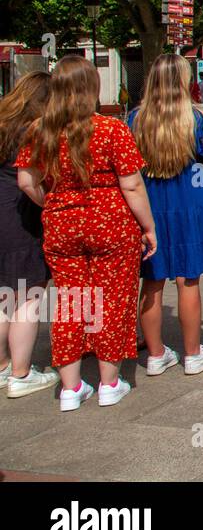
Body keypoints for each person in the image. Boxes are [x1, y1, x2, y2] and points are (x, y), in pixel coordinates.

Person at [16, 56, 158, 411]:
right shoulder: (111, 129)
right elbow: (132, 185)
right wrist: (149, 227)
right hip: (111, 221)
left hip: (62, 224)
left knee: (71, 302)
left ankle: (71, 388)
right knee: (112, 301)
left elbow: (25, 180)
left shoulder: (40, 130)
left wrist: (52, 201)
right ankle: (110, 383)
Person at [128, 54, 203, 377]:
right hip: (190, 202)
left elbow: (129, 172)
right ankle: (193, 354)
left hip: (151, 205)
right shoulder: (200, 119)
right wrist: (198, 196)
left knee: (152, 281)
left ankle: (155, 354)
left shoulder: (135, 119)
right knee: (188, 279)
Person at [0, 72, 60, 399]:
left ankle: (3, 366)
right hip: (22, 221)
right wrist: (49, 202)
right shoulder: (34, 132)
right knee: (28, 298)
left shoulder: (2, 125)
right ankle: (21, 374)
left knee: (2, 296)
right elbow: (31, 180)